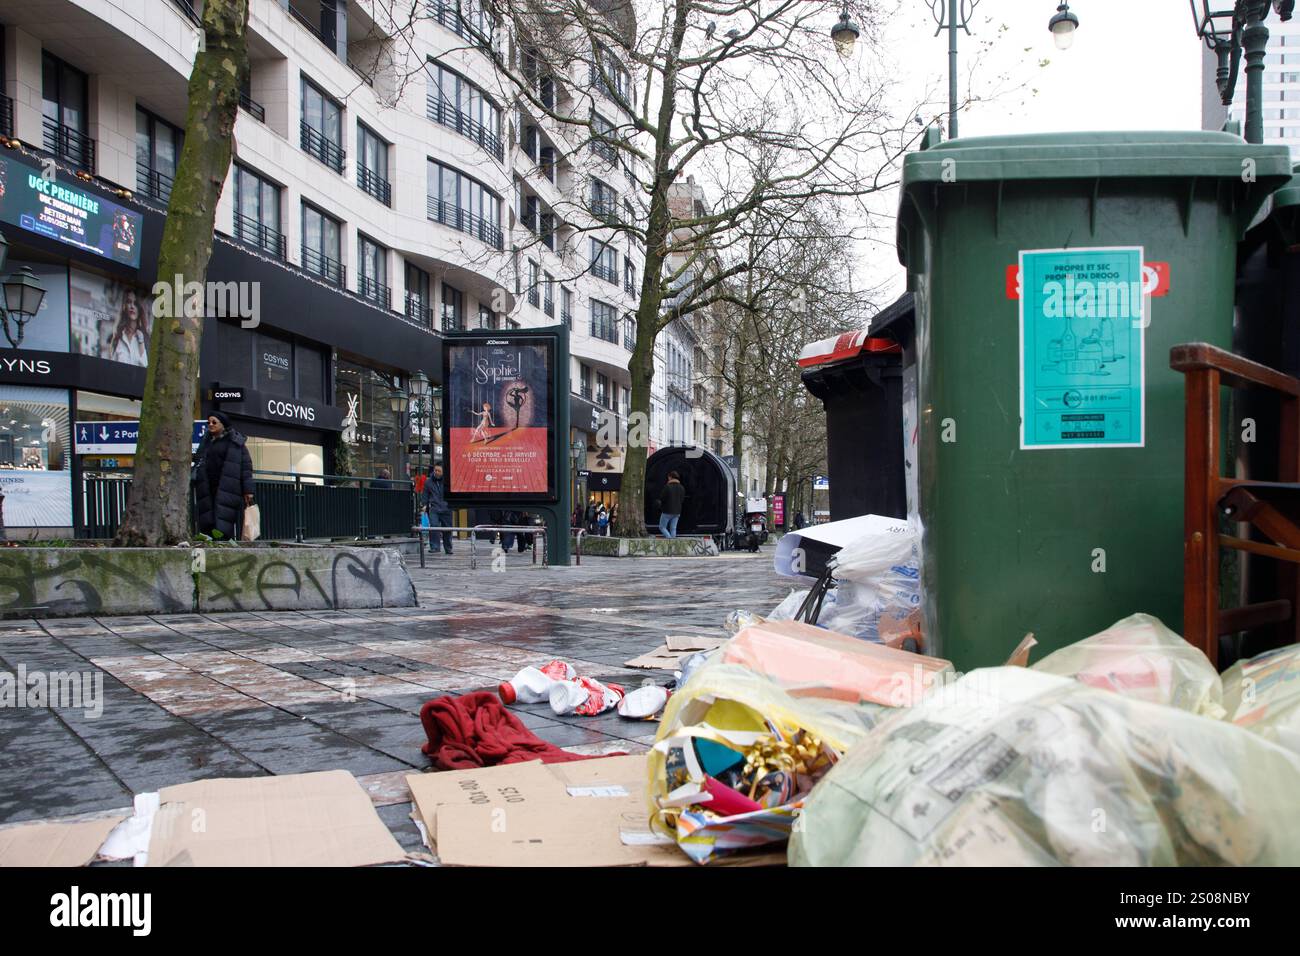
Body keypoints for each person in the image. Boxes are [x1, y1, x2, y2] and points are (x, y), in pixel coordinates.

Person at [192, 412, 254, 540]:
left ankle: (223, 544)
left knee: (224, 520)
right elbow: (198, 460)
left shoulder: (236, 443)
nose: (210, 425)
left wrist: (248, 490)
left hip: (228, 487)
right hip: (207, 487)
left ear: (223, 425)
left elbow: (246, 468)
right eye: (208, 422)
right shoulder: (206, 442)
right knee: (208, 519)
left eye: (214, 422)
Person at [109, 288, 149, 367]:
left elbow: (145, 366)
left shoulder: (145, 338)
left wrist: (141, 342)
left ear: (139, 308)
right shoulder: (118, 338)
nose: (132, 306)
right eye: (129, 302)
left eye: (135, 304)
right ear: (124, 306)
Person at [421, 463, 453, 555]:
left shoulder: (448, 481)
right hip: (434, 508)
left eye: (439, 471)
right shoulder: (428, 482)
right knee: (434, 526)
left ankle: (448, 548)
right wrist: (424, 504)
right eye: (435, 470)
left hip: (446, 507)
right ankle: (435, 547)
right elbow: (425, 494)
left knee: (447, 529)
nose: (437, 472)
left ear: (443, 472)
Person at [658, 471, 685, 538]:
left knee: (662, 527)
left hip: (667, 511)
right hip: (677, 512)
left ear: (670, 477)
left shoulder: (667, 487)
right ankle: (673, 545)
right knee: (673, 529)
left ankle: (670, 541)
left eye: (668, 477)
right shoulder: (681, 487)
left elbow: (662, 498)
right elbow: (682, 499)